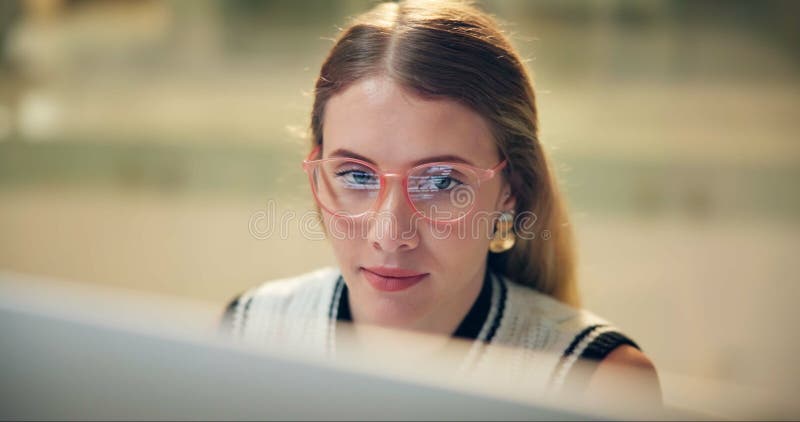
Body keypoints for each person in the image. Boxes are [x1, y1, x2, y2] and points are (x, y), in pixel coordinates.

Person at [223, 0, 660, 404]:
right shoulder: (248, 332)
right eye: (357, 175)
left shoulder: (595, 382)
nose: (390, 236)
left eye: (440, 181)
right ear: (317, 169)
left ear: (511, 189)